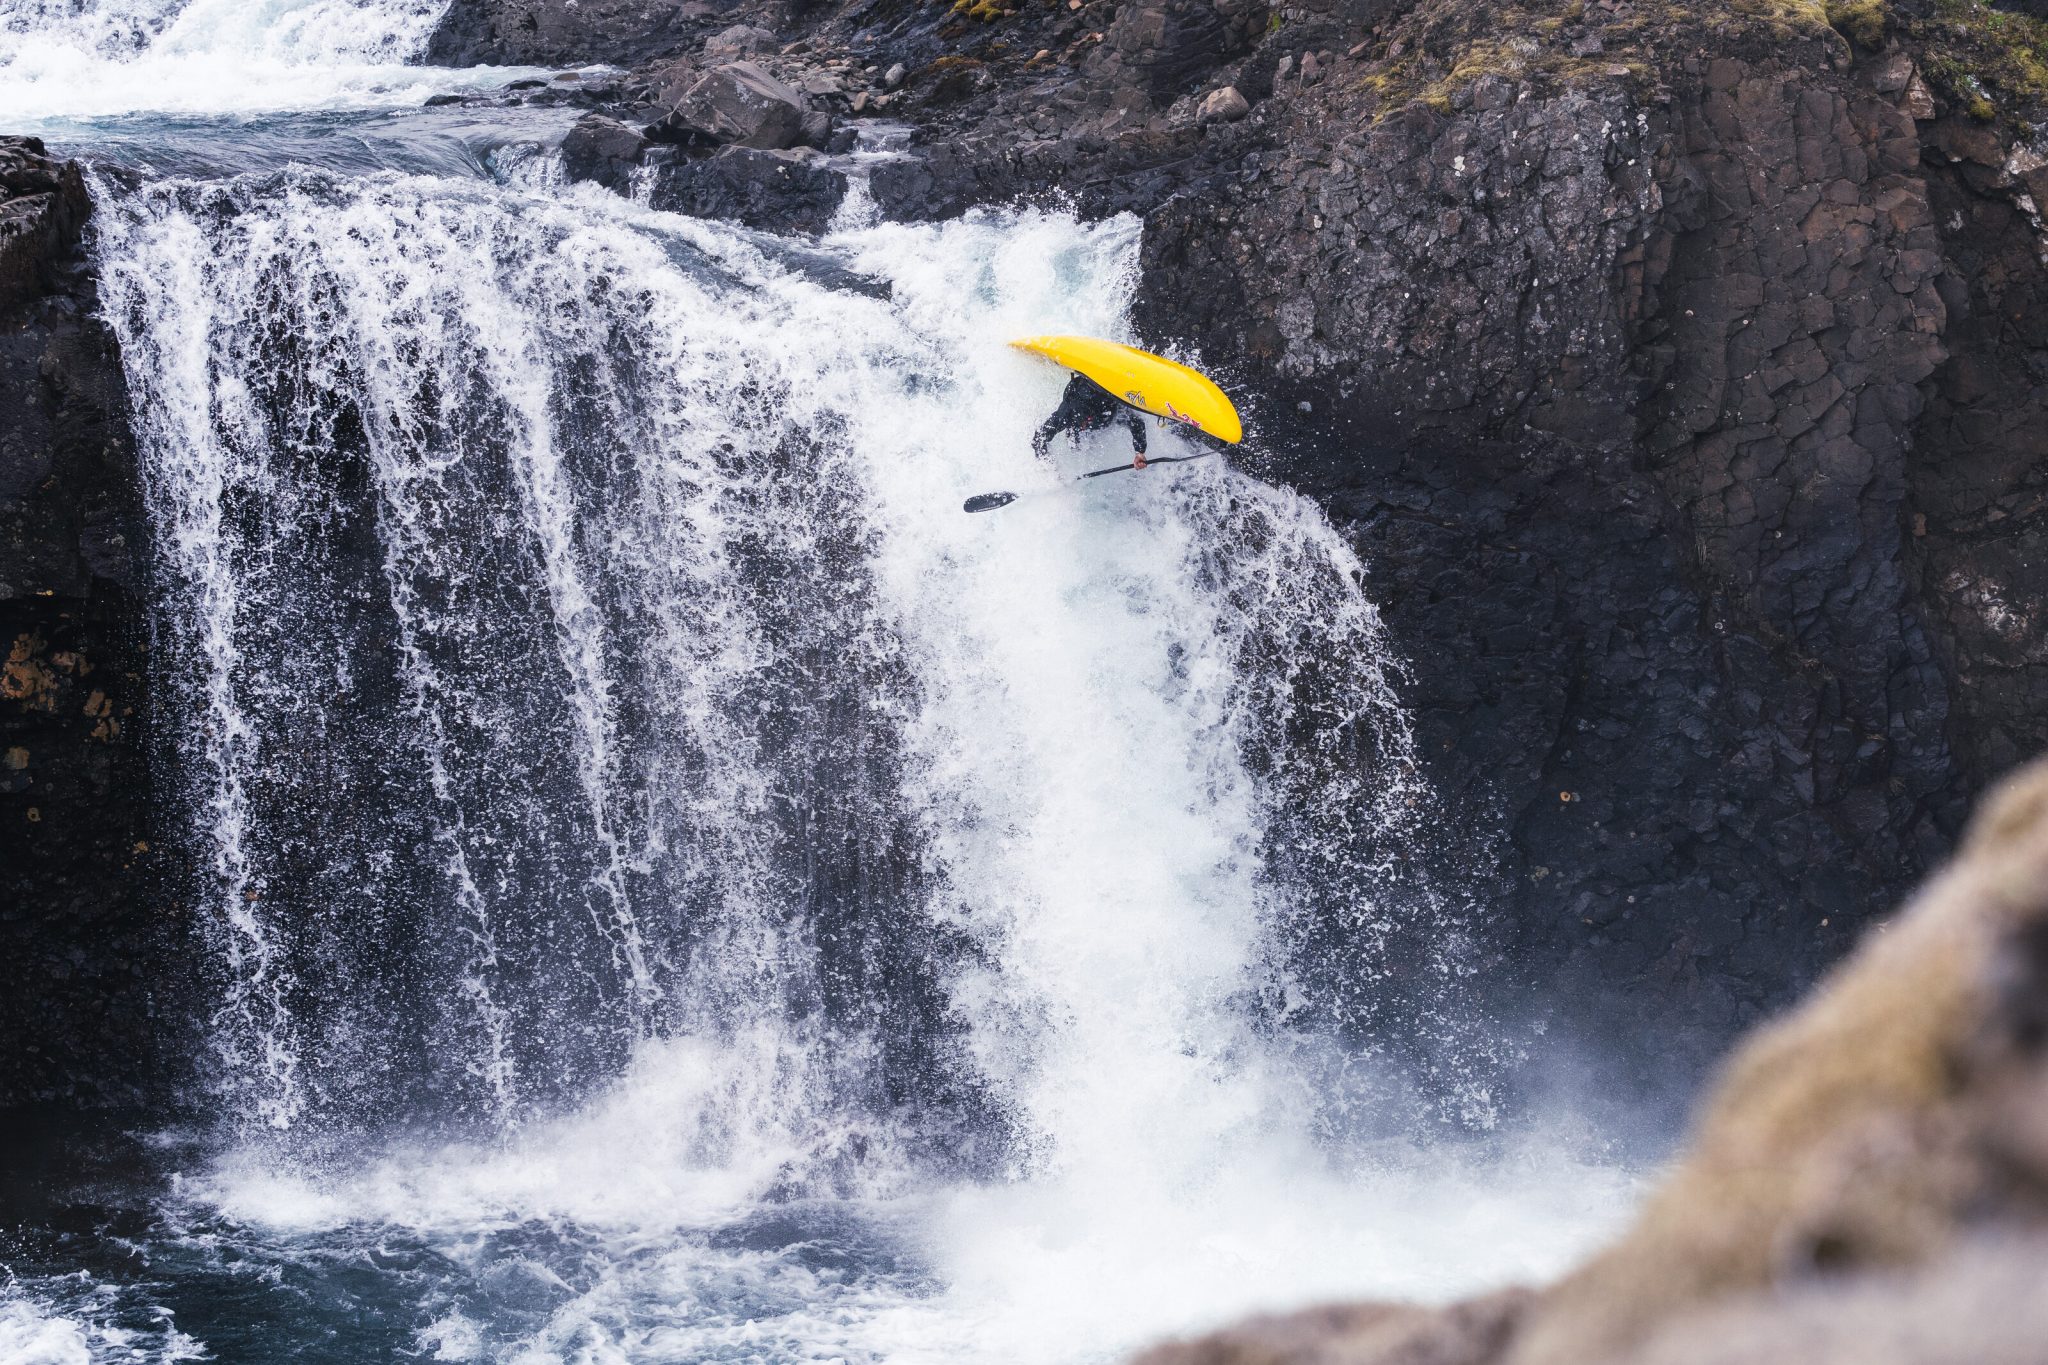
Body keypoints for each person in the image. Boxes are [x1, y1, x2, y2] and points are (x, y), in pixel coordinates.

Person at [1032, 371, 1149, 467]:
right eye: (1083, 424)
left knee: (1100, 423)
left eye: (1085, 423)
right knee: (1075, 446)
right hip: (1078, 397)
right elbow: (1038, 439)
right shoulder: (1066, 414)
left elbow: (1136, 422)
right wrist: (1050, 467)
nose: (1084, 426)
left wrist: (1140, 452)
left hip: (1100, 393)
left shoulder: (1109, 410)